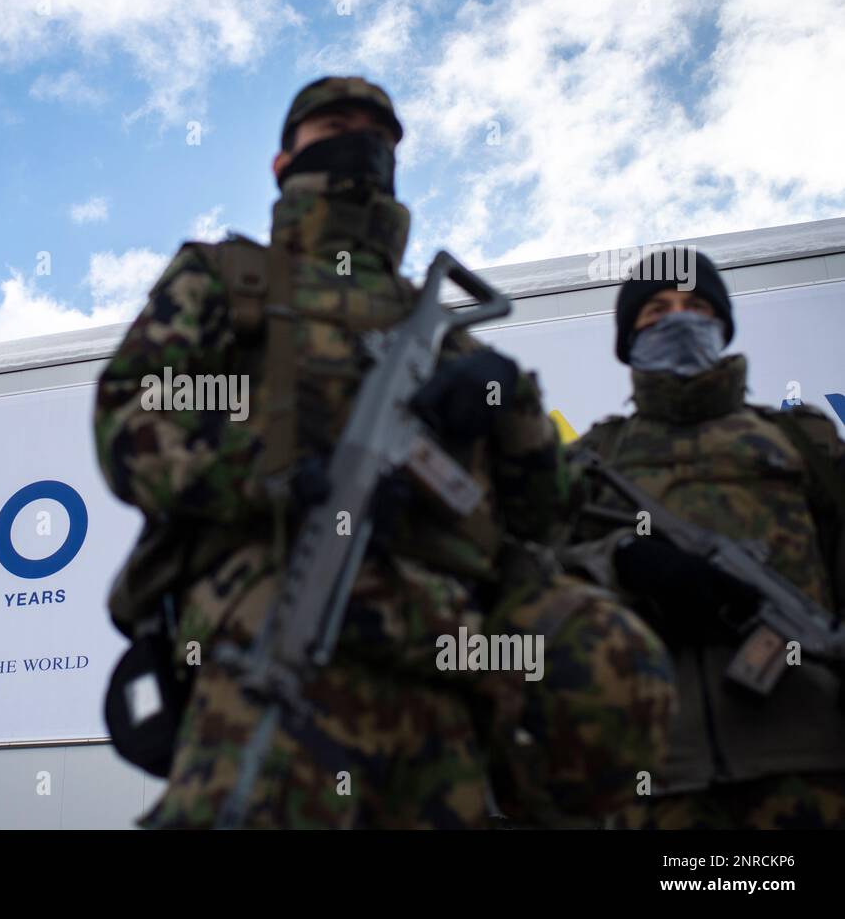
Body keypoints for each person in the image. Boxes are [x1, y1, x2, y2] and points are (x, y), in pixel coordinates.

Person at [94, 75, 639, 828]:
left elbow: (544, 518)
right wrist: (278, 475)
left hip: (444, 665)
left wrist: (511, 404)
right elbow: (136, 415)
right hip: (273, 633)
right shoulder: (231, 280)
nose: (356, 145)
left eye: (374, 135)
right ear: (282, 165)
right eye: (332, 128)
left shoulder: (443, 333)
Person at [560, 246, 845, 828]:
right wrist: (623, 560)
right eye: (656, 310)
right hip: (655, 771)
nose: (678, 319)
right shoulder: (593, 459)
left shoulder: (802, 438)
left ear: (721, 323)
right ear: (628, 338)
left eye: (694, 305)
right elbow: (534, 573)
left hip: (809, 762)